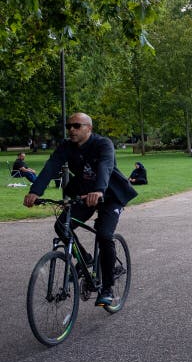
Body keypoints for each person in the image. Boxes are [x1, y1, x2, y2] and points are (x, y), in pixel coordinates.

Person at [23, 113, 138, 308]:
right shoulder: (66, 146)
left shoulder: (103, 144)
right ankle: (84, 258)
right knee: (61, 225)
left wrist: (99, 190)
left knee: (104, 234)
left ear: (89, 128)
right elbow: (51, 166)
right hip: (84, 195)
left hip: (110, 196)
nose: (71, 130)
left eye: (76, 126)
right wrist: (35, 191)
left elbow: (105, 166)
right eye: (69, 126)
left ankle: (108, 288)